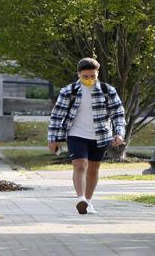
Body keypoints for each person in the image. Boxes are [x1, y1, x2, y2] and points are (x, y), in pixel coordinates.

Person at [47, 58, 126, 215]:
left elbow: (118, 113)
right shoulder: (69, 91)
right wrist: (52, 139)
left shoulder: (107, 90)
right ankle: (81, 199)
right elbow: (56, 116)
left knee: (93, 168)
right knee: (80, 164)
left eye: (93, 76)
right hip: (76, 133)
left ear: (97, 74)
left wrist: (119, 133)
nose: (89, 79)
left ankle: (88, 202)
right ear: (79, 74)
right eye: (86, 76)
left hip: (101, 135)